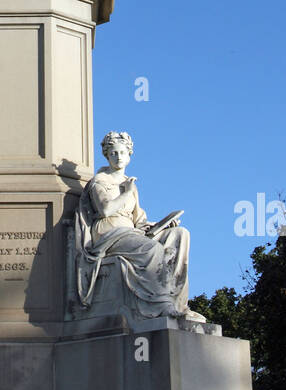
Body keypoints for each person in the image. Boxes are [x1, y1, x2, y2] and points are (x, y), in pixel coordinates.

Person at [74, 131, 205, 321]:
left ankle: (178, 303)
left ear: (129, 155)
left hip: (131, 231)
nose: (118, 157)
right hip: (109, 233)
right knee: (151, 249)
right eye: (113, 153)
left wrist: (161, 225)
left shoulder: (129, 185)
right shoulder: (100, 181)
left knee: (179, 235)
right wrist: (126, 194)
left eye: (121, 152)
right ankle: (161, 305)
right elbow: (105, 209)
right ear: (106, 155)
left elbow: (139, 220)